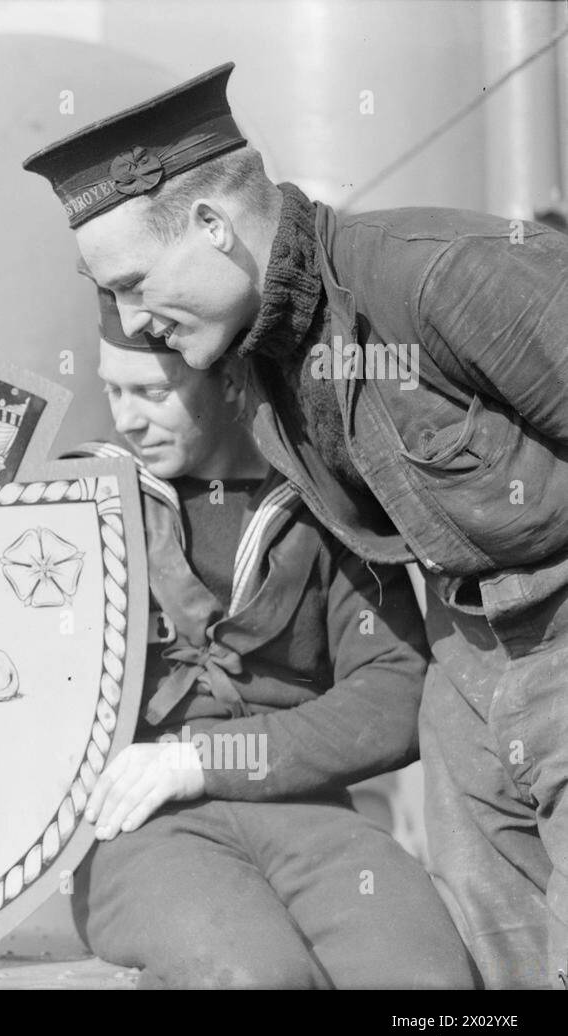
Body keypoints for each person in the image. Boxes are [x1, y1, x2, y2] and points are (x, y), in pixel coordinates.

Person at [25, 62, 568, 989]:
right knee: (488, 984)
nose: (132, 322)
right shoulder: (261, 364)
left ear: (212, 226)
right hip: (468, 666)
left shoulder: (434, 273)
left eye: (136, 284)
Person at [60, 287, 474, 988]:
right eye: (113, 390)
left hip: (305, 811)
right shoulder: (77, 506)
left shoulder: (321, 506)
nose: (126, 419)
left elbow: (393, 692)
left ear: (228, 380)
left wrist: (206, 759)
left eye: (152, 393)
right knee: (250, 976)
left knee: (426, 984)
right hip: (138, 827)